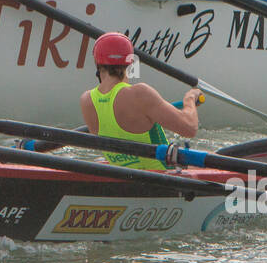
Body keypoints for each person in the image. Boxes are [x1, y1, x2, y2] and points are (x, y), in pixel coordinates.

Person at [79, 33, 203, 171]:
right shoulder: (139, 94)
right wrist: (190, 99)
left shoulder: (87, 101)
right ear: (131, 62)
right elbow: (190, 128)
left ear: (97, 63)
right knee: (210, 157)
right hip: (161, 176)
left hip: (123, 177)